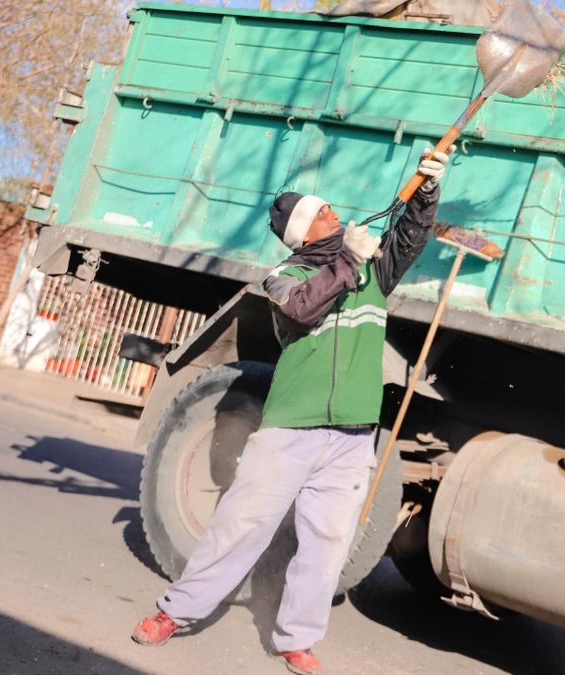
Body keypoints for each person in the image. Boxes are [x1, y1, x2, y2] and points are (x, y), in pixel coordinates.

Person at [131, 148, 450, 674]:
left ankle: (296, 639)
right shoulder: (284, 274)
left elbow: (408, 238)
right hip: (291, 431)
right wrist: (348, 260)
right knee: (240, 526)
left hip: (351, 437)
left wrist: (427, 192)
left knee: (327, 545)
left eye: (332, 210)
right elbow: (304, 308)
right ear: (303, 233)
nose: (337, 215)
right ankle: (175, 612)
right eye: (323, 213)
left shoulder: (371, 271)